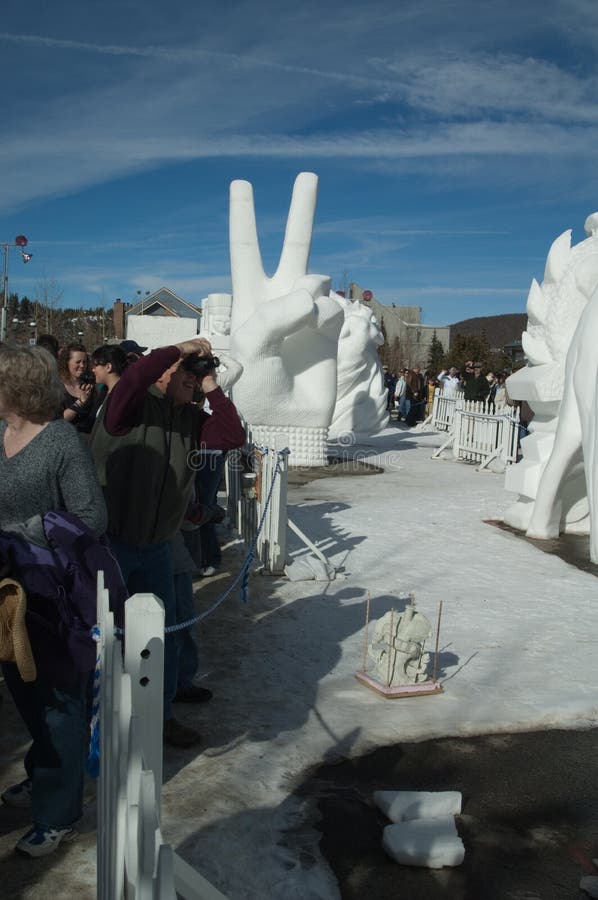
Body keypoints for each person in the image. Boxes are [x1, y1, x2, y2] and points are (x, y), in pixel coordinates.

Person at [90, 337, 246, 747]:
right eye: (186, 374)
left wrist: (212, 385)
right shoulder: (128, 406)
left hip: (158, 546)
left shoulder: (191, 421)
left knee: (156, 640)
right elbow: (137, 375)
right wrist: (179, 349)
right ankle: (107, 720)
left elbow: (231, 435)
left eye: (197, 377)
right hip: (114, 544)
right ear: (163, 372)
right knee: (112, 637)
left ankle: (158, 718)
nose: (192, 381)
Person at [0, 345, 108, 857]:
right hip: (7, 597)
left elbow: (91, 516)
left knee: (60, 708)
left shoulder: (61, 440)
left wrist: (18, 534)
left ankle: (58, 812)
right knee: (25, 698)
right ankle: (42, 775)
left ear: (14, 385)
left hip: (54, 598)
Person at [58, 342, 97, 433]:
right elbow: (60, 419)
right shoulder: (57, 387)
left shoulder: (90, 384)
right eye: (78, 362)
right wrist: (80, 402)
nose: (82, 366)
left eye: (84, 362)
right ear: (66, 362)